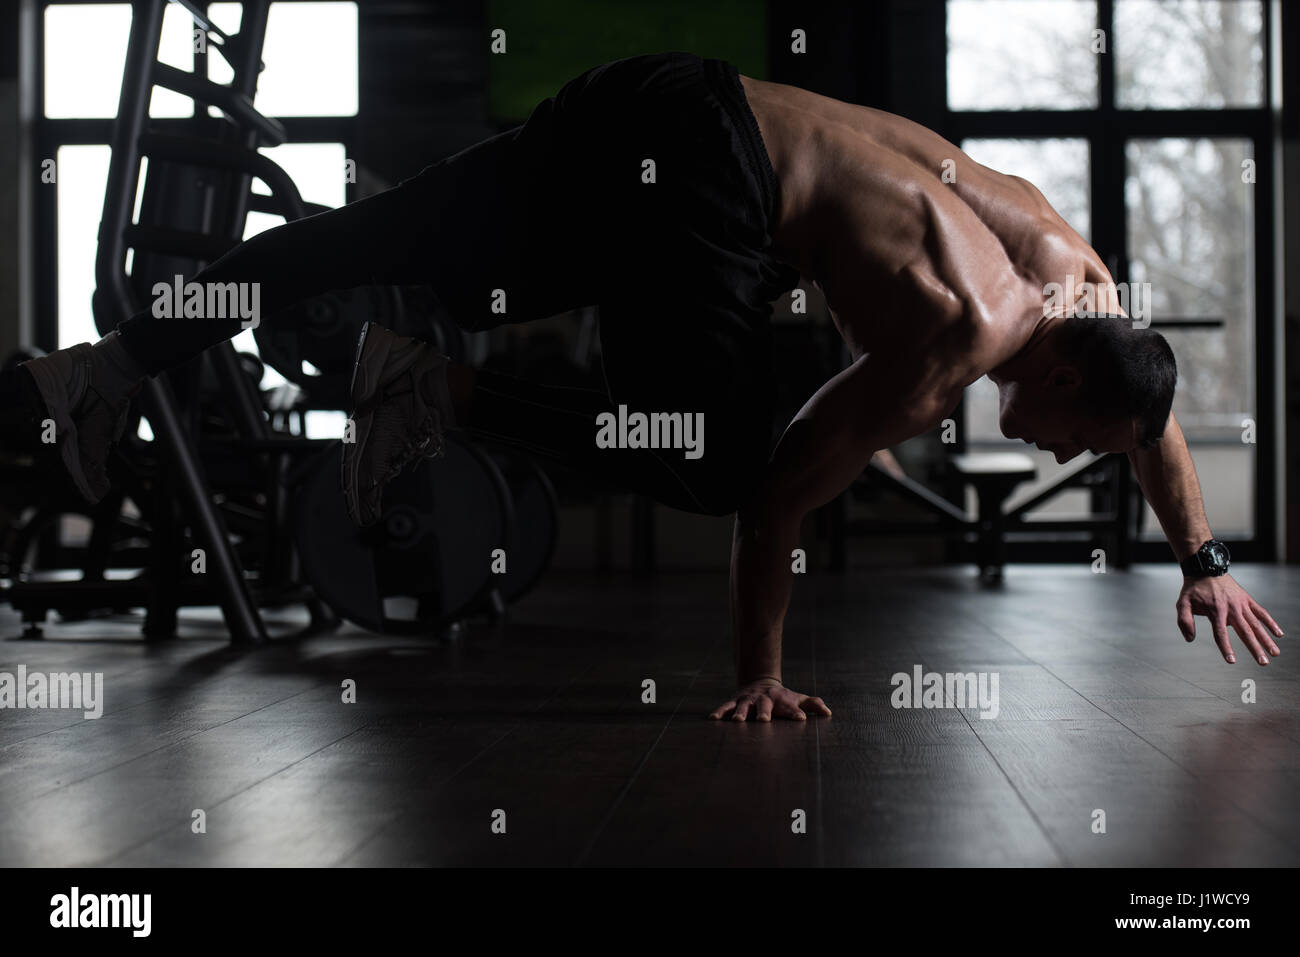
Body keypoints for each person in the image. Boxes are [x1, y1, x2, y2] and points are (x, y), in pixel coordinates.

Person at [15, 53, 1282, 723]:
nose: (1064, 451)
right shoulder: (953, 339)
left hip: (663, 95)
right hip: (707, 180)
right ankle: (433, 394)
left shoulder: (1075, 275)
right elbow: (772, 508)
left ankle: (106, 366)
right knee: (723, 459)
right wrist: (760, 672)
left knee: (374, 239)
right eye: (1073, 438)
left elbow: (1147, 423)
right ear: (1057, 370)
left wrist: (1200, 559)